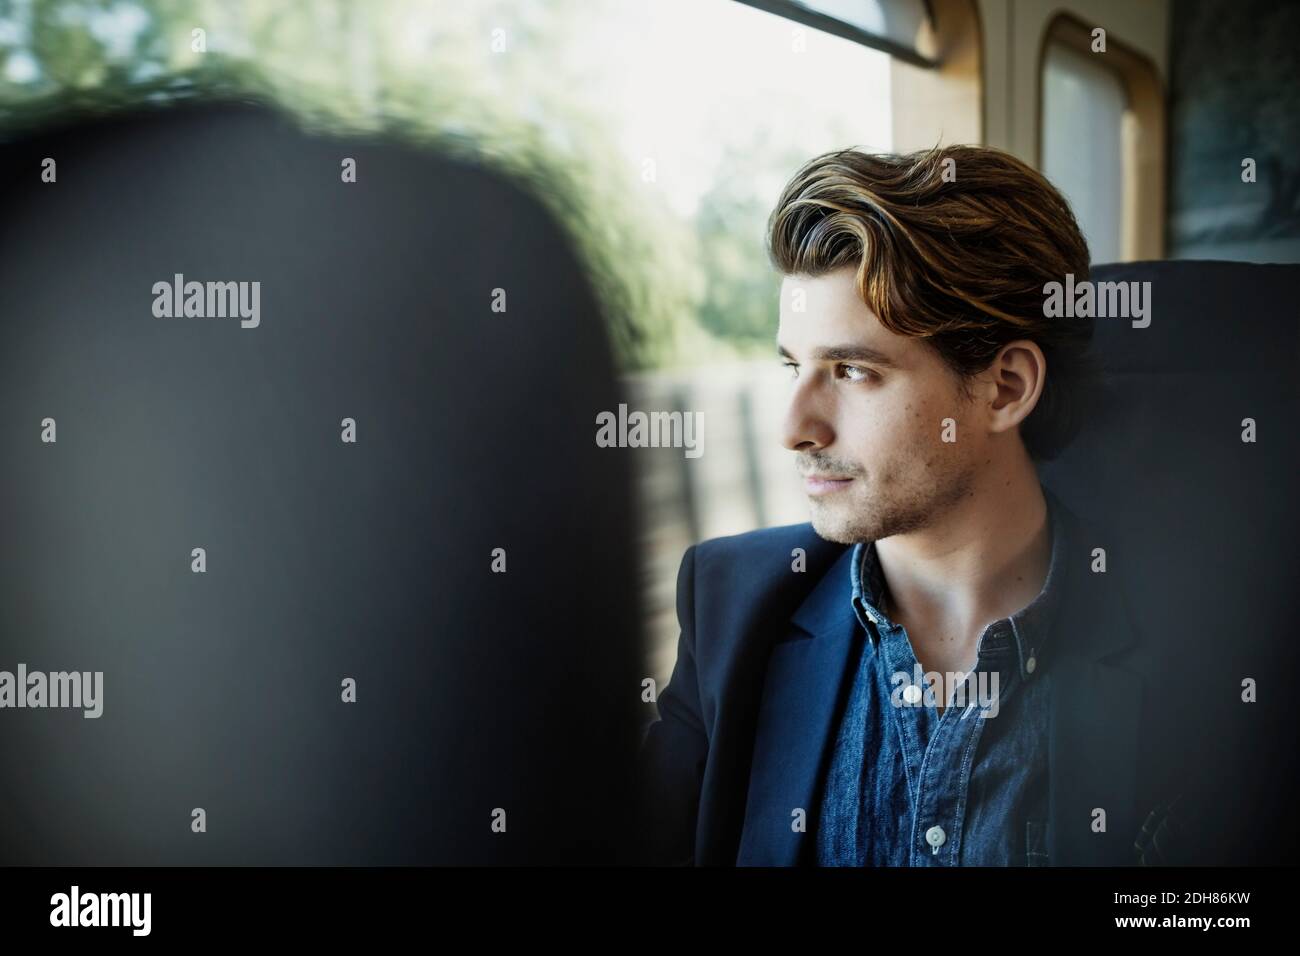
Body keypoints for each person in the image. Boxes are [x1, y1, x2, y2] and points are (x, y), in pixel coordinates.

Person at [635, 145, 1207, 866]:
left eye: (852, 371)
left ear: (1004, 388)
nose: (794, 428)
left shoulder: (1200, 651)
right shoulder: (728, 607)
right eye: (793, 366)